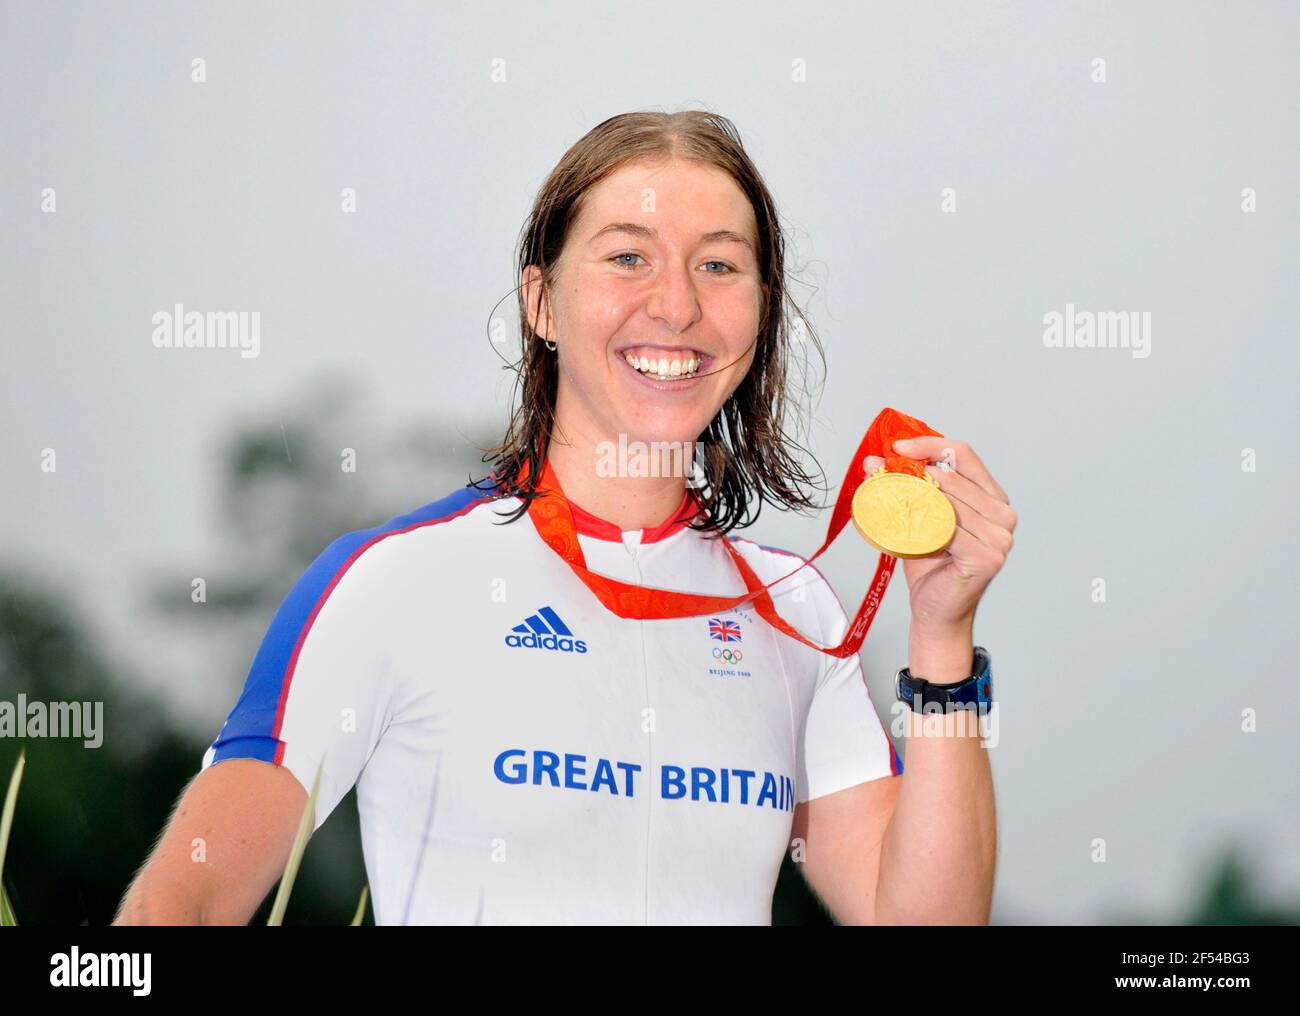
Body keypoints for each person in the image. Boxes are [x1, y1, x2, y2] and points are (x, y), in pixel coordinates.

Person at [115, 109, 1015, 926]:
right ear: (542, 304)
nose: (677, 305)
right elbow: (177, 910)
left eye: (719, 264)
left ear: (761, 312)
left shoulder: (798, 612)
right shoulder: (401, 582)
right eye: (628, 256)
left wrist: (942, 639)